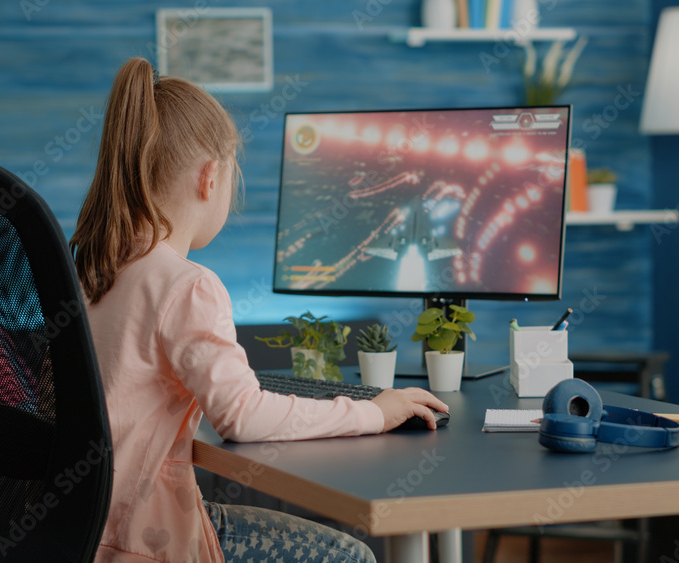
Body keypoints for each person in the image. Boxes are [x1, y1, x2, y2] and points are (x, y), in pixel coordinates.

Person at [71, 57, 449, 563]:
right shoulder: (187, 285)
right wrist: (373, 412)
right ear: (210, 178)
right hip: (147, 536)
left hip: (83, 529)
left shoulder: (96, 269)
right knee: (351, 556)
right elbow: (241, 416)